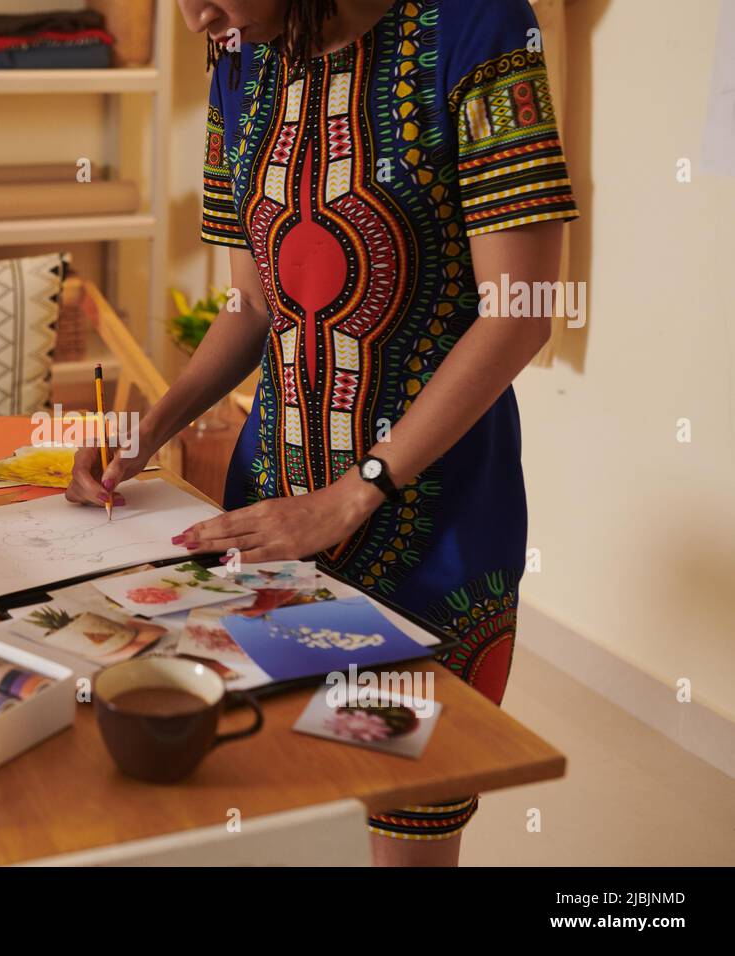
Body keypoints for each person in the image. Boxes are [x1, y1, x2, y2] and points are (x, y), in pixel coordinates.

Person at [66, 0, 578, 866]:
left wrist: (353, 495)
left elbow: (520, 313)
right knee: (277, 792)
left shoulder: (477, 28)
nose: (195, 20)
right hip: (270, 520)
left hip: (427, 527)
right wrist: (144, 429)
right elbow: (254, 305)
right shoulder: (238, 57)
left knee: (401, 813)